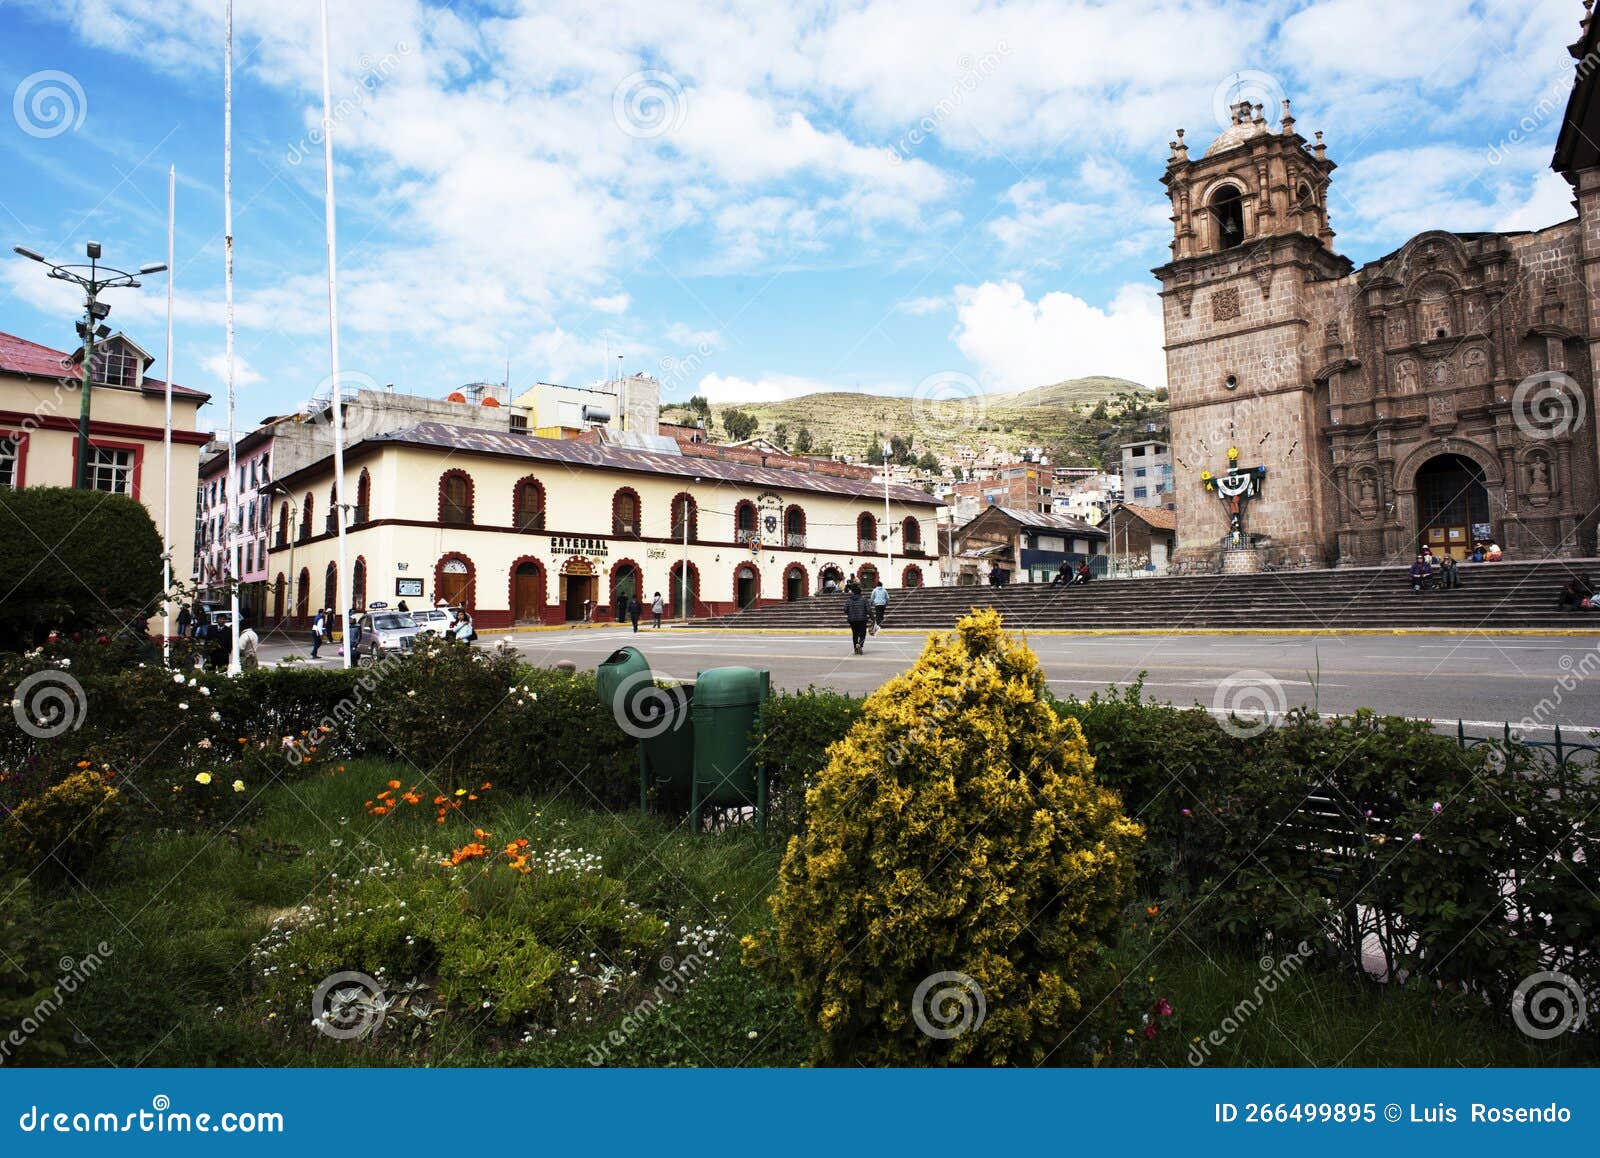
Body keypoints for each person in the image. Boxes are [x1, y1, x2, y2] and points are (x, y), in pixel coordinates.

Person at [844, 583, 870, 654]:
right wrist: (873, 619)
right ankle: (860, 645)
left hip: (852, 620)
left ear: (853, 592)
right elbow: (868, 610)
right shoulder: (864, 599)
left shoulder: (849, 600)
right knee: (862, 634)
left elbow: (845, 610)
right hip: (862, 620)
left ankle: (855, 648)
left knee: (855, 634)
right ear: (860, 592)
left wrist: (850, 614)